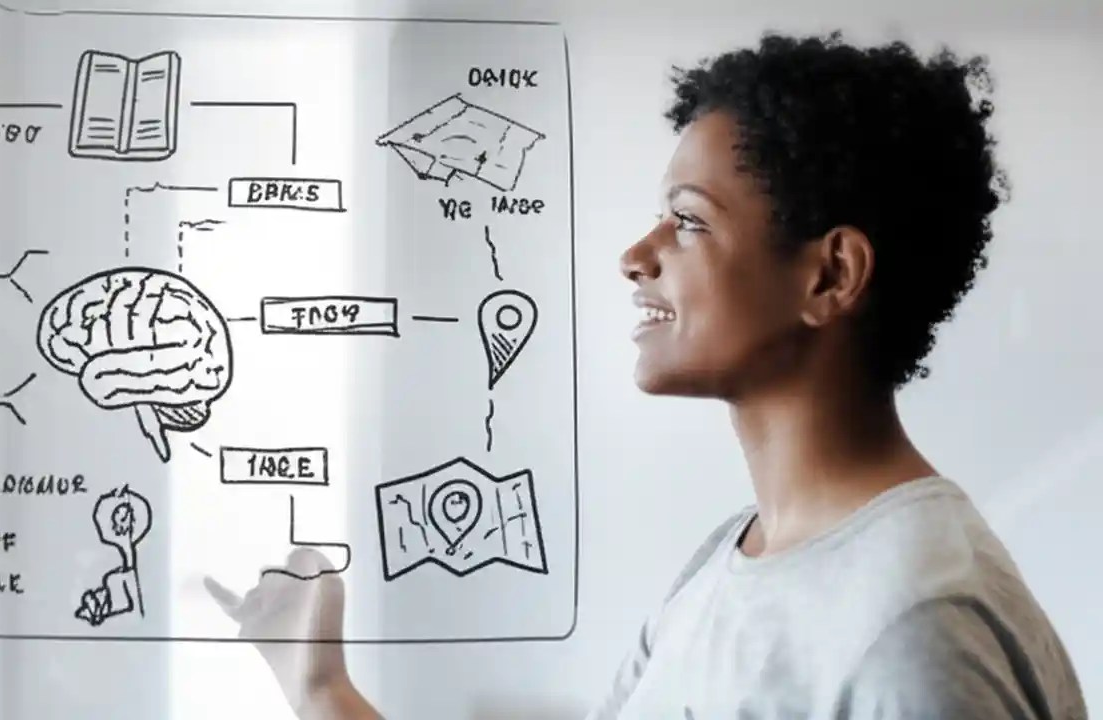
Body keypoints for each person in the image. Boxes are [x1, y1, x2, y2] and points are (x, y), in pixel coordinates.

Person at [204, 30, 1087, 719]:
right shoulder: (734, 557)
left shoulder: (916, 629)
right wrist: (319, 687)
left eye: (689, 222)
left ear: (829, 277)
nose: (637, 256)